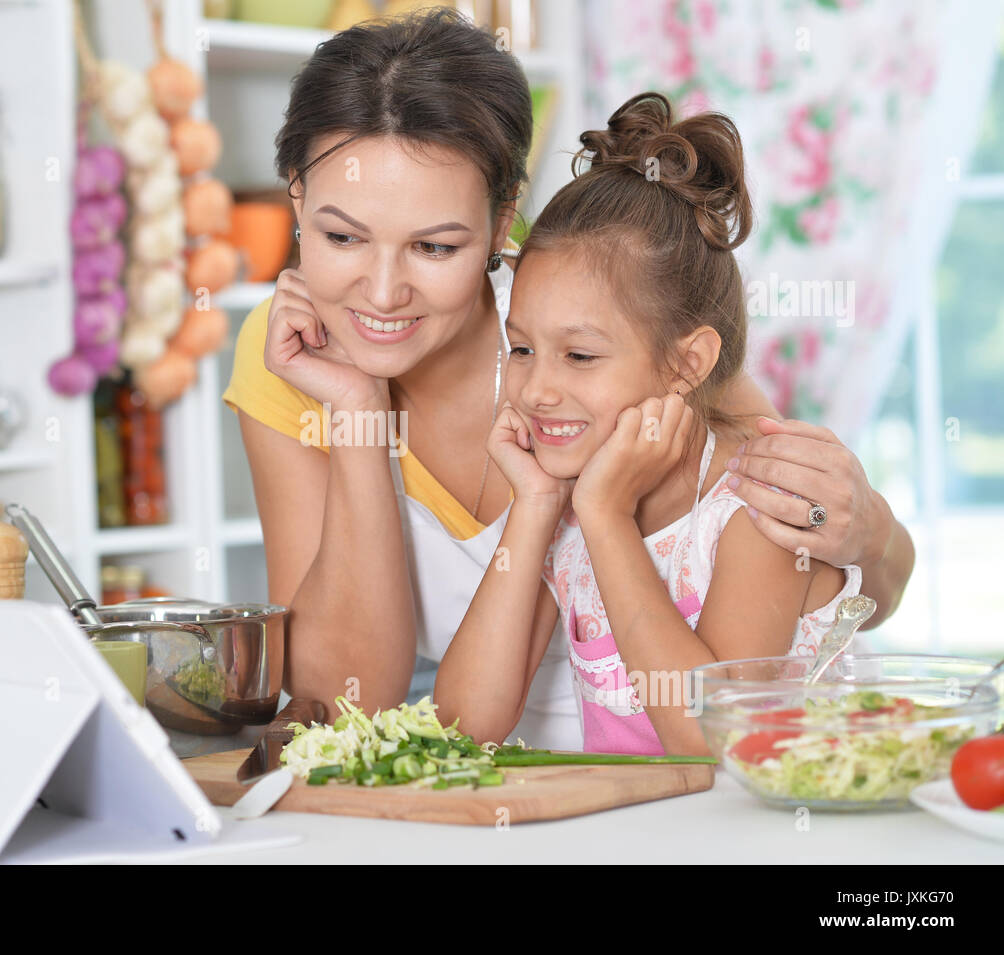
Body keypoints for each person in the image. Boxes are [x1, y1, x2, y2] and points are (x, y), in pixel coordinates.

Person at [221, 10, 913, 751]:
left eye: (433, 245)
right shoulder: (293, 354)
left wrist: (872, 537)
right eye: (342, 235)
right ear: (295, 200)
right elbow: (350, 697)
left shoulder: (603, 312)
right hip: (542, 785)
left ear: (499, 225)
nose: (383, 292)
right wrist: (360, 410)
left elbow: (827, 570)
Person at [434, 92, 862, 754]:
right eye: (521, 348)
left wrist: (607, 517)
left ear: (687, 363)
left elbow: (712, 743)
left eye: (579, 355)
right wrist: (537, 504)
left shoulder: (759, 510)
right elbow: (463, 723)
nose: (537, 388)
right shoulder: (567, 504)